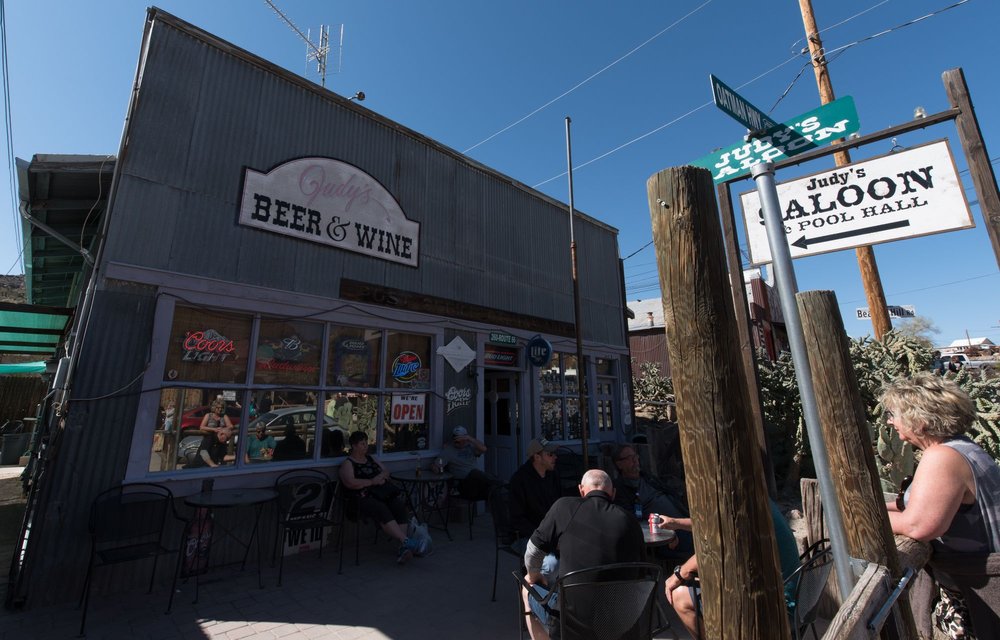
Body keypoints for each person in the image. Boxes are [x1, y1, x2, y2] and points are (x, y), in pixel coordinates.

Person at [882, 373, 1000, 636]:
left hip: (983, 592)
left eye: (894, 413)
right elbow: (926, 507)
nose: (890, 421)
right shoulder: (961, 449)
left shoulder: (942, 456)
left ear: (919, 419)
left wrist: (858, 519)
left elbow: (920, 525)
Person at [522, 469, 644, 640]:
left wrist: (534, 576)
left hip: (570, 624)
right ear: (613, 493)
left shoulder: (564, 507)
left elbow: (533, 551)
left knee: (527, 587)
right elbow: (642, 575)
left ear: (581, 490)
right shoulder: (630, 521)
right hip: (622, 625)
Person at [664, 500, 800, 639]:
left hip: (774, 609)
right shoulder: (757, 499)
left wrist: (679, 574)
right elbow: (714, 523)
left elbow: (713, 550)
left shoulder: (739, 506)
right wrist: (675, 523)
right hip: (796, 600)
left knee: (680, 596)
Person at [339, 431, 420, 564]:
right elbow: (350, 483)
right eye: (362, 444)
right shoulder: (348, 464)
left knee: (398, 505)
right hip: (360, 499)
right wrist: (372, 482)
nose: (366, 446)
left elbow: (386, 471)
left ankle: (403, 546)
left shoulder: (371, 459)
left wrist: (380, 478)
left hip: (381, 494)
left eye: (366, 443)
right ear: (354, 446)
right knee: (381, 509)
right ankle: (405, 541)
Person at [611, 443, 694, 558]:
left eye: (635, 456)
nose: (635, 460)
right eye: (630, 458)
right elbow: (632, 519)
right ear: (619, 464)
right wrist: (666, 534)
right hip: (666, 531)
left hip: (681, 518)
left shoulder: (647, 478)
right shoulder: (620, 489)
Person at [509, 438, 562, 582]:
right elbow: (517, 520)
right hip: (525, 536)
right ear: (537, 457)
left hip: (551, 534)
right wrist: (547, 540)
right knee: (552, 564)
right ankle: (539, 599)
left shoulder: (553, 475)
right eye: (550, 454)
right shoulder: (519, 480)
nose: (555, 457)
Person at [437, 426, 500, 501]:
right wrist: (436, 468)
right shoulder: (448, 450)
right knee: (475, 473)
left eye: (461, 438)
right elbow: (437, 465)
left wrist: (470, 439)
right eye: (457, 439)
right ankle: (501, 483)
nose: (459, 442)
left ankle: (501, 488)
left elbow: (484, 449)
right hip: (463, 484)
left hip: (477, 483)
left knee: (494, 491)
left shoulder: (470, 446)